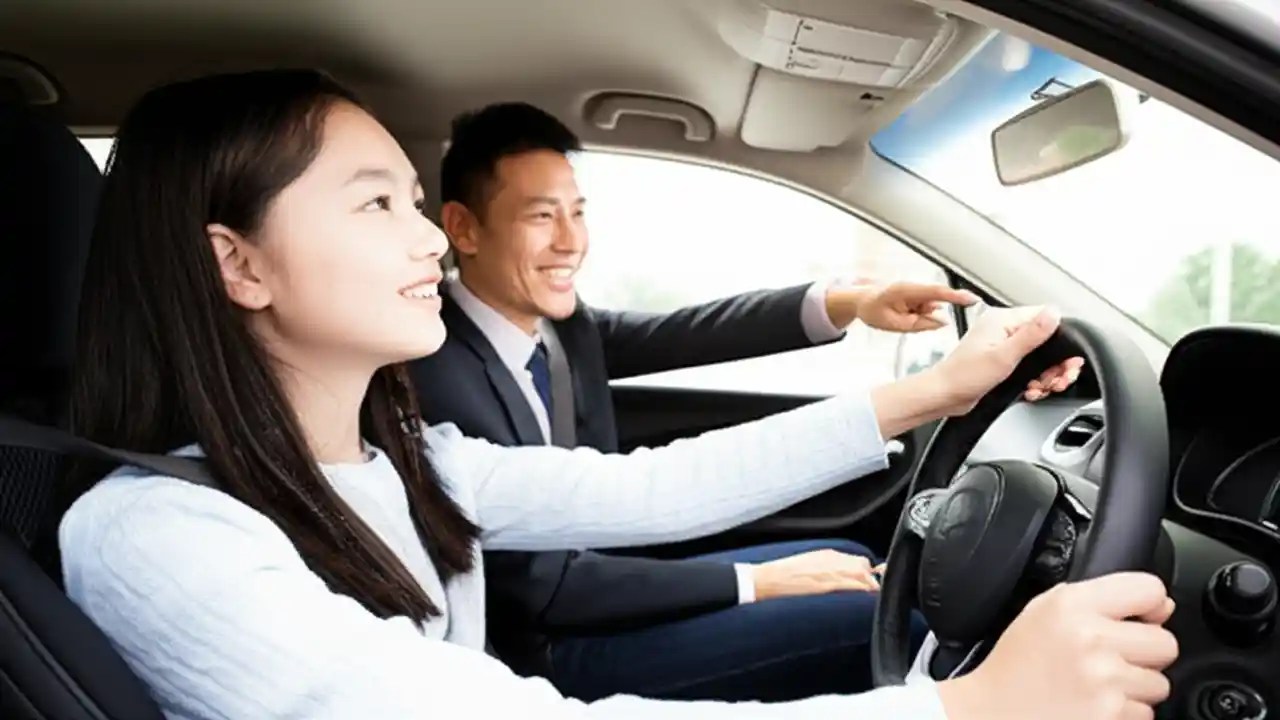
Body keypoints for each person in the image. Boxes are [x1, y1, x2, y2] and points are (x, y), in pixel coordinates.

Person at [58, 69, 1175, 720]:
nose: (427, 242)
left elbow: (654, 489)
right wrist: (959, 706)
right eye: (375, 205)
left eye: (414, 201)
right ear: (237, 264)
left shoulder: (404, 461)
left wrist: (938, 389)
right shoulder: (155, 534)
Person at [412, 100, 974, 699]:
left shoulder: (559, 326)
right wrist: (757, 581)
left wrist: (849, 303)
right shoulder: (435, 373)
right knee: (879, 622)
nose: (571, 242)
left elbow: (684, 331)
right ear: (463, 228)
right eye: (542, 216)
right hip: (550, 648)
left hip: (603, 585)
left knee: (849, 557)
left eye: (577, 212)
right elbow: (540, 588)